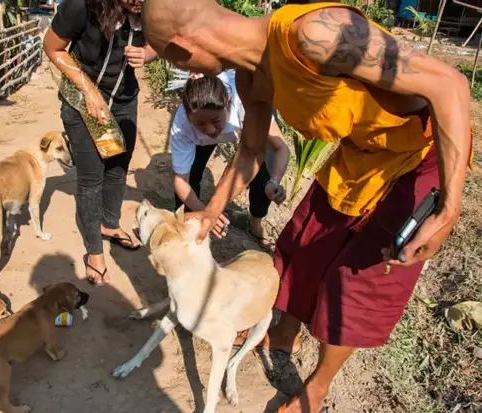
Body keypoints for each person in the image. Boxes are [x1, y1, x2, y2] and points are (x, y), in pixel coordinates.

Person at [141, 1, 473, 412]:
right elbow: (250, 151)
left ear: (183, 48)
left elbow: (451, 87)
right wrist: (210, 211)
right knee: (301, 244)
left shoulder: (319, 34)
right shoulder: (250, 77)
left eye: (172, 59)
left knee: (356, 282)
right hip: (361, 156)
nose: (188, 75)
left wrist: (449, 209)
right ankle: (284, 333)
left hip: (416, 159)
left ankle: (315, 390)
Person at [44, 0, 157, 285]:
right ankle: (95, 251)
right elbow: (53, 47)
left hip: (123, 100)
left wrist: (148, 54)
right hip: (83, 101)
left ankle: (109, 225)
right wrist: (88, 90)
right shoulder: (83, 5)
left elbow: (165, 42)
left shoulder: (156, 8)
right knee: (91, 178)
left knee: (119, 166)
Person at [171, 71, 290, 245]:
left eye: (215, 120)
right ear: (189, 117)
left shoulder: (247, 103)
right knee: (193, 174)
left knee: (264, 177)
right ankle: (189, 224)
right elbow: (180, 181)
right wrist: (206, 212)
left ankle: (255, 222)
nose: (211, 130)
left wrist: (275, 180)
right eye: (201, 124)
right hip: (199, 141)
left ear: (228, 102)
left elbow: (281, 147)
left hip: (244, 123)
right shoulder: (183, 125)